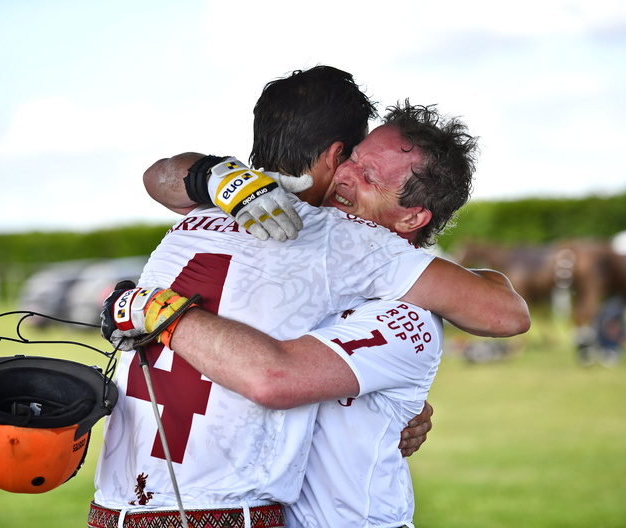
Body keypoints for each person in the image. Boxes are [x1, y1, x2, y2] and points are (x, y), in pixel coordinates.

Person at [91, 66, 529, 528]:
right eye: (352, 160)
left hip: (123, 505)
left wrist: (149, 304)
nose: (347, 177)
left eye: (369, 176)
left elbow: (159, 174)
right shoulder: (332, 236)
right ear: (336, 152)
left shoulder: (202, 211)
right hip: (225, 508)